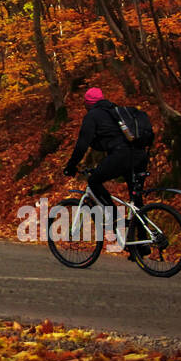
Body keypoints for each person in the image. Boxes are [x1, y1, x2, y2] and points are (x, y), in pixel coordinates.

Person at [61, 86, 150, 256]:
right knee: (136, 199)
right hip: (139, 155)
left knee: (94, 181)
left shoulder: (92, 116)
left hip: (122, 156)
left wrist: (71, 166)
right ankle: (141, 243)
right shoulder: (116, 111)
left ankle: (115, 219)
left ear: (88, 104)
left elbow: (82, 144)